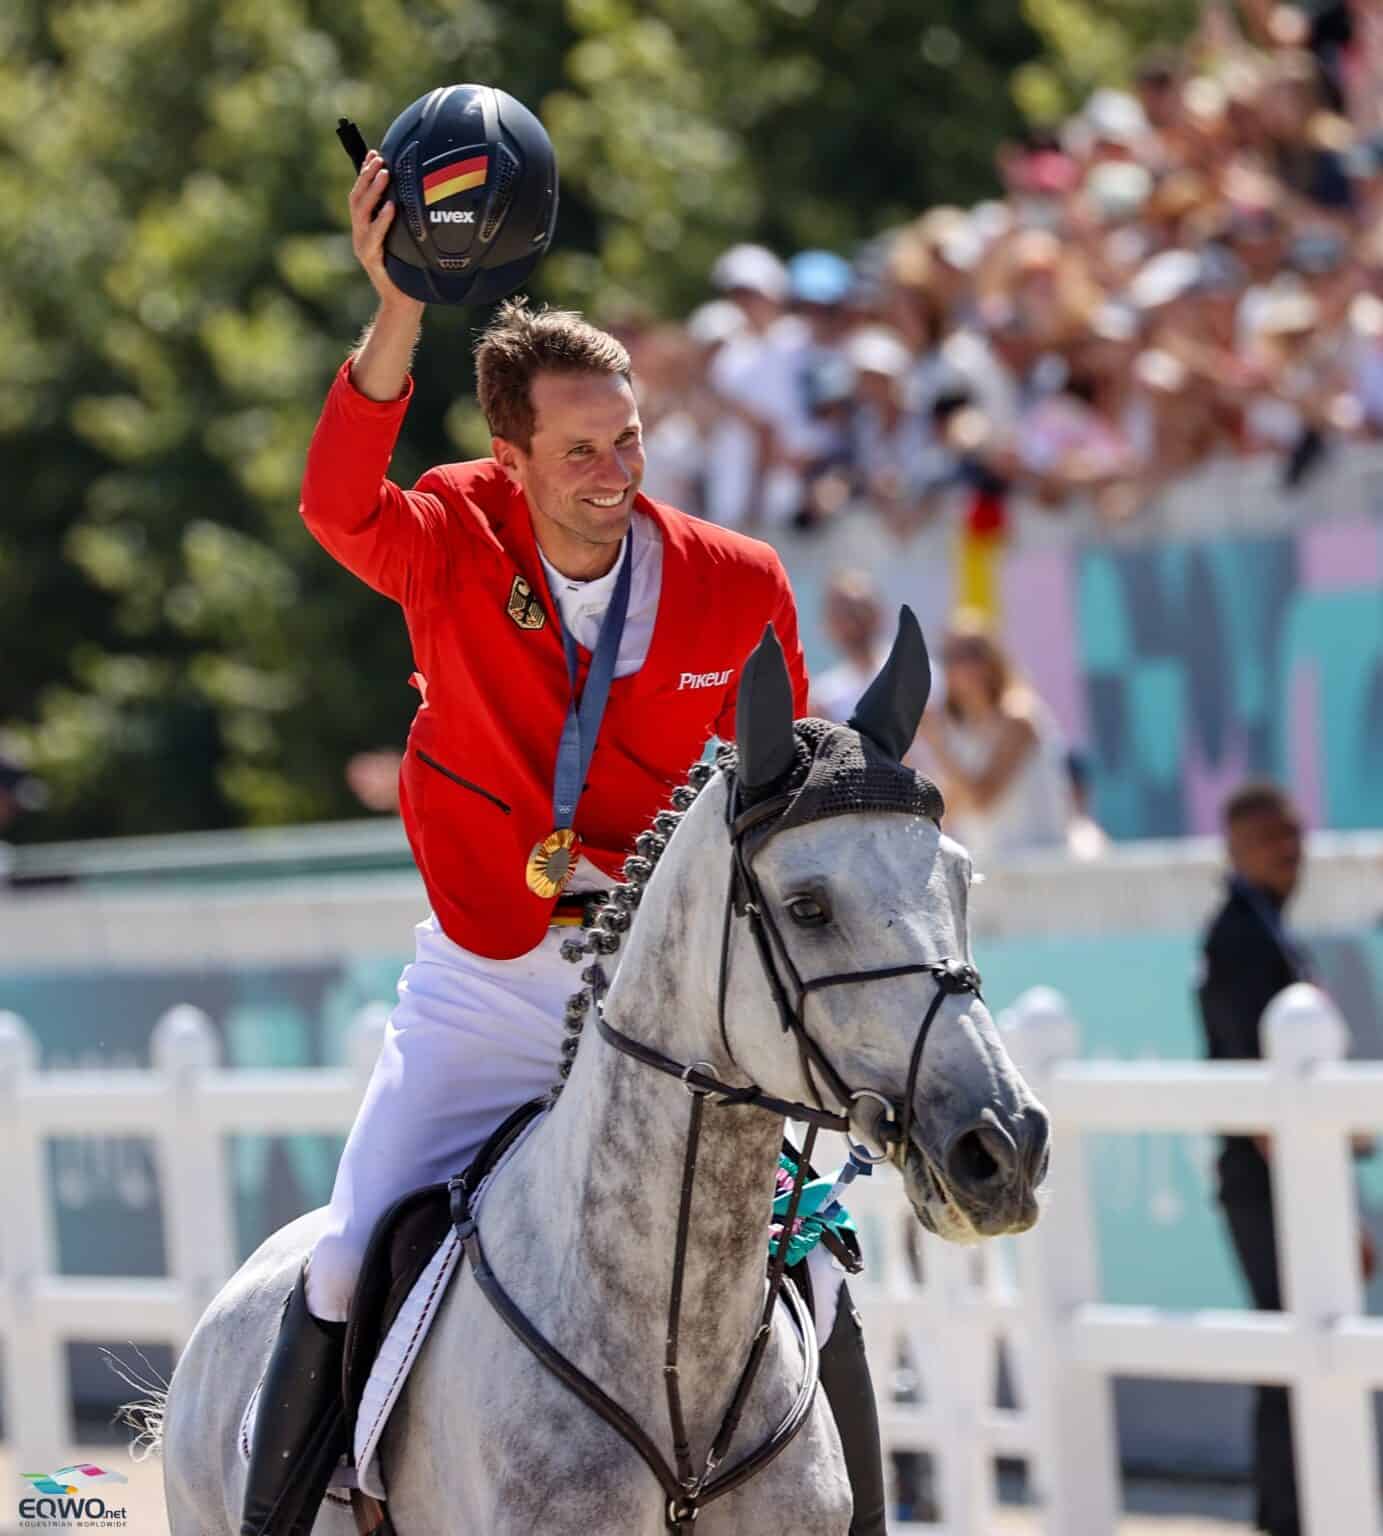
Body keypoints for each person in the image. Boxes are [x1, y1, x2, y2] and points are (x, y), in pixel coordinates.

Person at [241, 149, 887, 1536]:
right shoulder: (448, 538)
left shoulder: (735, 583)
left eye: (629, 442)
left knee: (817, 1267)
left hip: (672, 999)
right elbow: (334, 505)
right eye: (577, 452)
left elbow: (776, 790)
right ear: (508, 455)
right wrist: (401, 305)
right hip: (496, 978)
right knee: (348, 1253)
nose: (611, 474)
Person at [1196, 781, 1375, 1536]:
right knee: (1290, 1359)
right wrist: (1324, 1200)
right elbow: (1259, 1096)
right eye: (1272, 839)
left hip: (1283, 1184)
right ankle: (1286, 1517)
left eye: (1294, 837)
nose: (1289, 852)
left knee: (1301, 1356)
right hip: (1272, 1190)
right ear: (1235, 849)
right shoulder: (1239, 938)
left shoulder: (1263, 929)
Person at [916, 612, 1072, 867]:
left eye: (971, 653)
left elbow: (982, 799)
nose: (962, 665)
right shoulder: (958, 731)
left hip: (1042, 864)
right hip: (992, 867)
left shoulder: (1019, 716)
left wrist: (936, 743)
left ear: (993, 659)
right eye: (951, 657)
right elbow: (949, 810)